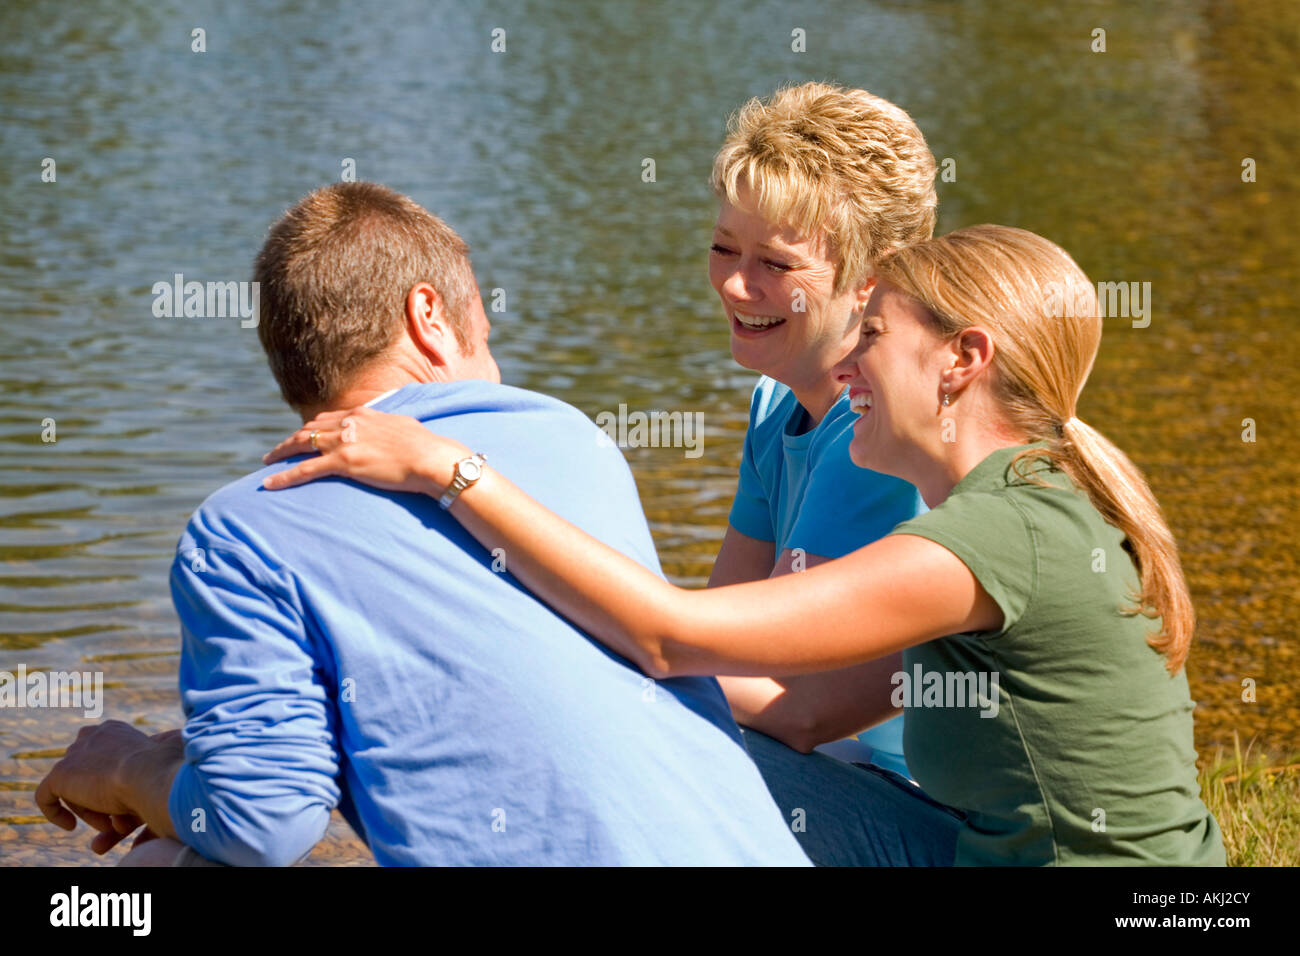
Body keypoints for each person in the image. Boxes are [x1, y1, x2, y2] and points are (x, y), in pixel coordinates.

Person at [263, 224, 1227, 866]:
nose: (844, 363)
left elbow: (674, 636)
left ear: (962, 361)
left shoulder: (994, 533)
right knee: (687, 751)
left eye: (874, 337)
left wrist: (450, 470)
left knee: (672, 766)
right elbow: (790, 708)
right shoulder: (1029, 504)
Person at [34, 181, 810, 867]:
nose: (492, 346)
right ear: (429, 315)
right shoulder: (571, 437)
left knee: (160, 871)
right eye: (487, 320)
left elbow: (262, 826)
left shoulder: (244, 527)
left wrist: (130, 770)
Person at [706, 82, 935, 780]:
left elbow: (792, 701)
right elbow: (724, 628)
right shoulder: (774, 402)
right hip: (849, 763)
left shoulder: (875, 432)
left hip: (927, 806)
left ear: (873, 277)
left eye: (775, 264)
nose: (737, 286)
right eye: (724, 248)